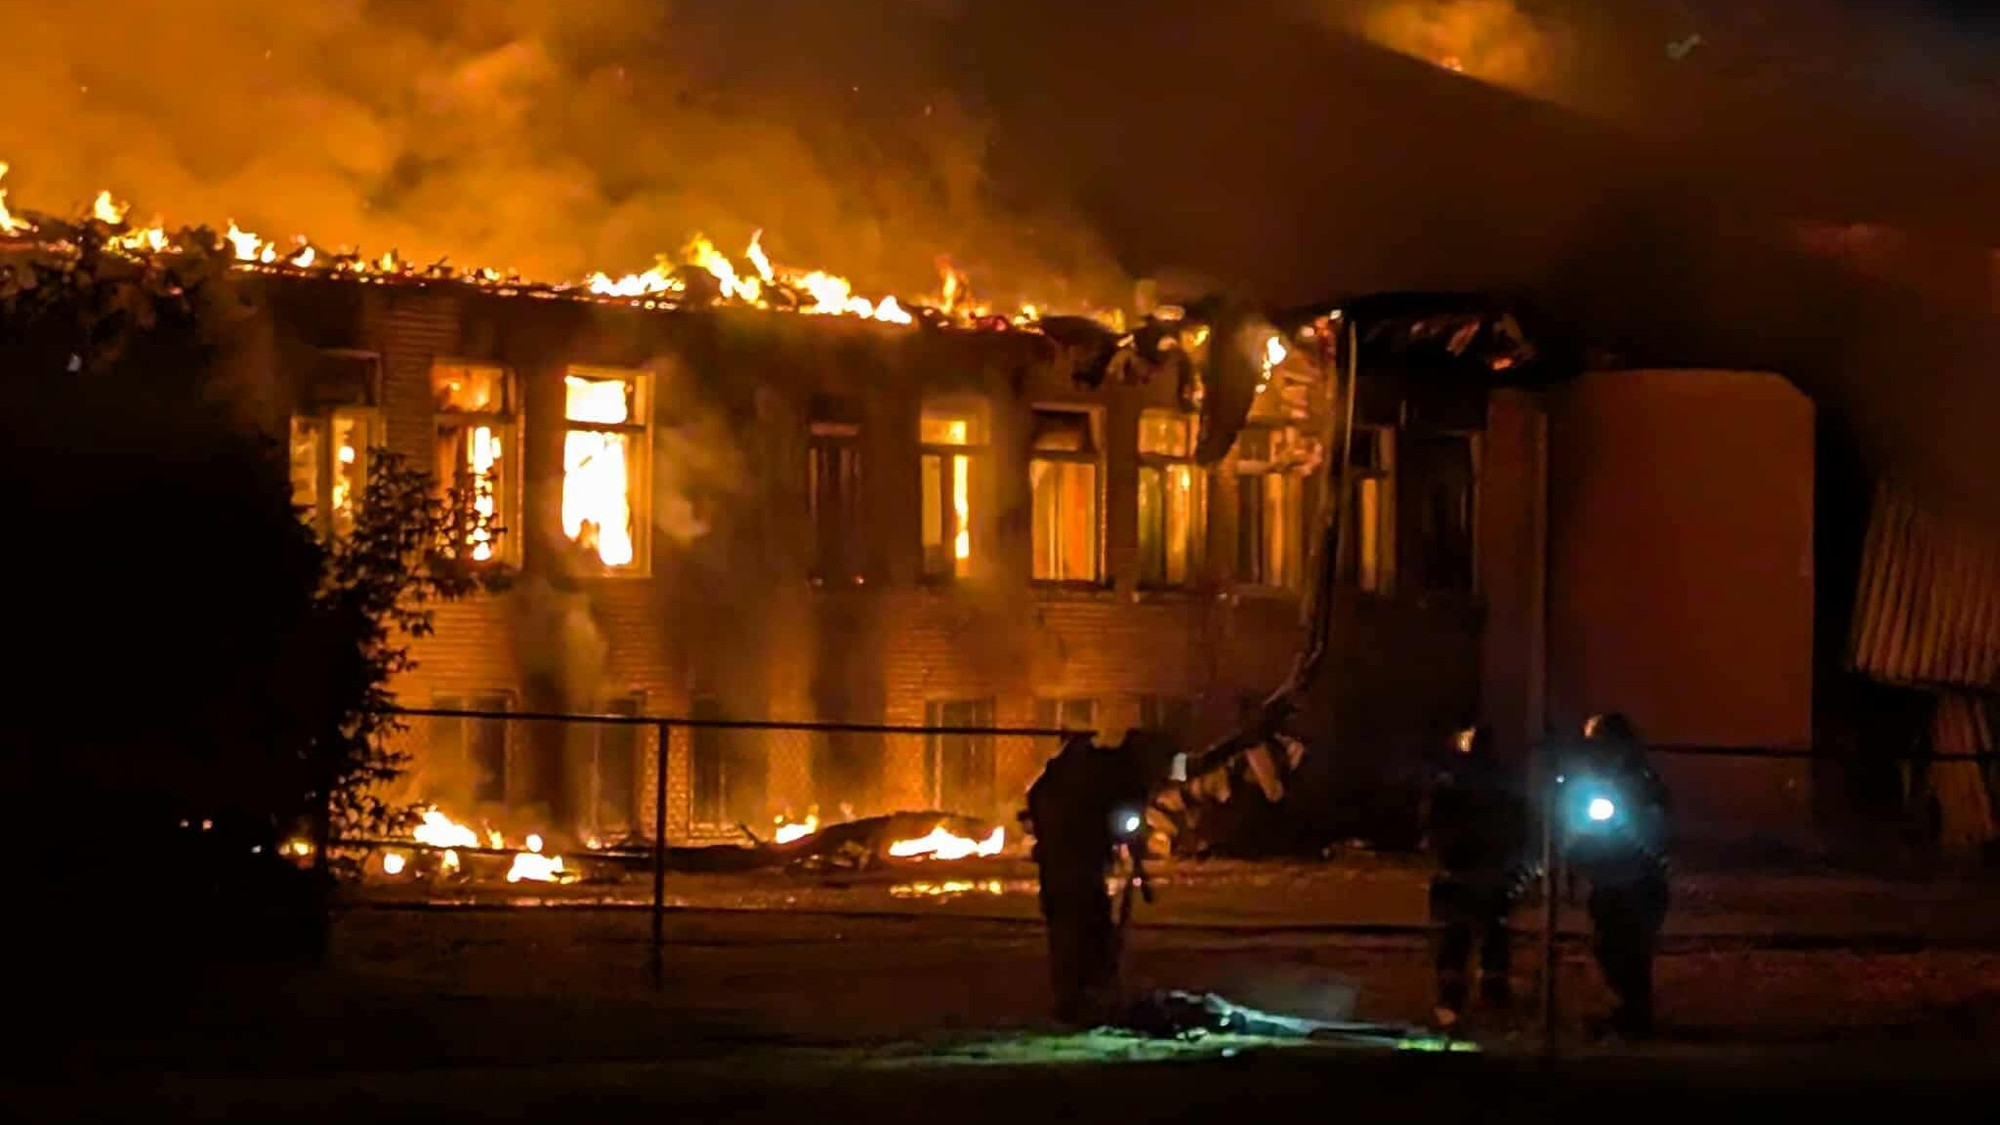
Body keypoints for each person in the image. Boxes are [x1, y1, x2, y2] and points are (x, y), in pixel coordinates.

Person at [1023, 731, 1153, 1025]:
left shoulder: (1081, 772)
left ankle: (1078, 995)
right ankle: (1084, 995)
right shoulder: (1112, 775)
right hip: (1075, 861)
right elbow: (1120, 814)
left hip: (1063, 863)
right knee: (1085, 924)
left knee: (1072, 927)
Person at [1563, 711, 1672, 1040]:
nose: (1596, 752)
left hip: (1638, 882)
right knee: (1609, 948)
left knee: (1631, 951)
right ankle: (1630, 1013)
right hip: (1609, 881)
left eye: (1602, 744)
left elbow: (1655, 829)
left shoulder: (1641, 782)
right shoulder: (1591, 781)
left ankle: (1635, 1017)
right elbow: (1577, 831)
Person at [1420, 722, 1530, 1028]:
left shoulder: (1451, 782)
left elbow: (1432, 824)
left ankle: (1456, 1001)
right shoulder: (1501, 781)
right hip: (1484, 872)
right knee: (1489, 935)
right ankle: (1487, 995)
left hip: (1463, 872)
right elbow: (1520, 823)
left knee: (1459, 937)